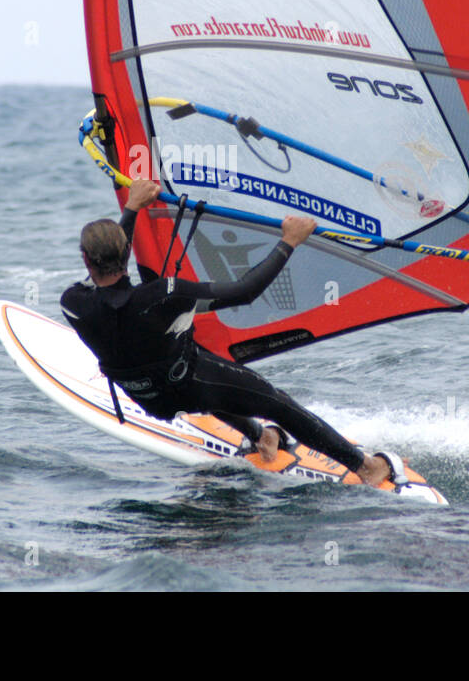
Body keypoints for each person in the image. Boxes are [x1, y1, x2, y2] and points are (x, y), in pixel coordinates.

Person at [59, 178, 396, 488]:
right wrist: (288, 242)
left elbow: (110, 270)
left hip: (148, 400)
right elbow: (245, 291)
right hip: (187, 386)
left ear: (85, 260)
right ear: (123, 253)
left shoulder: (73, 304)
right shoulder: (164, 295)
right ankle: (365, 468)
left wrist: (131, 208)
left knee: (191, 363)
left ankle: (260, 437)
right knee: (275, 403)